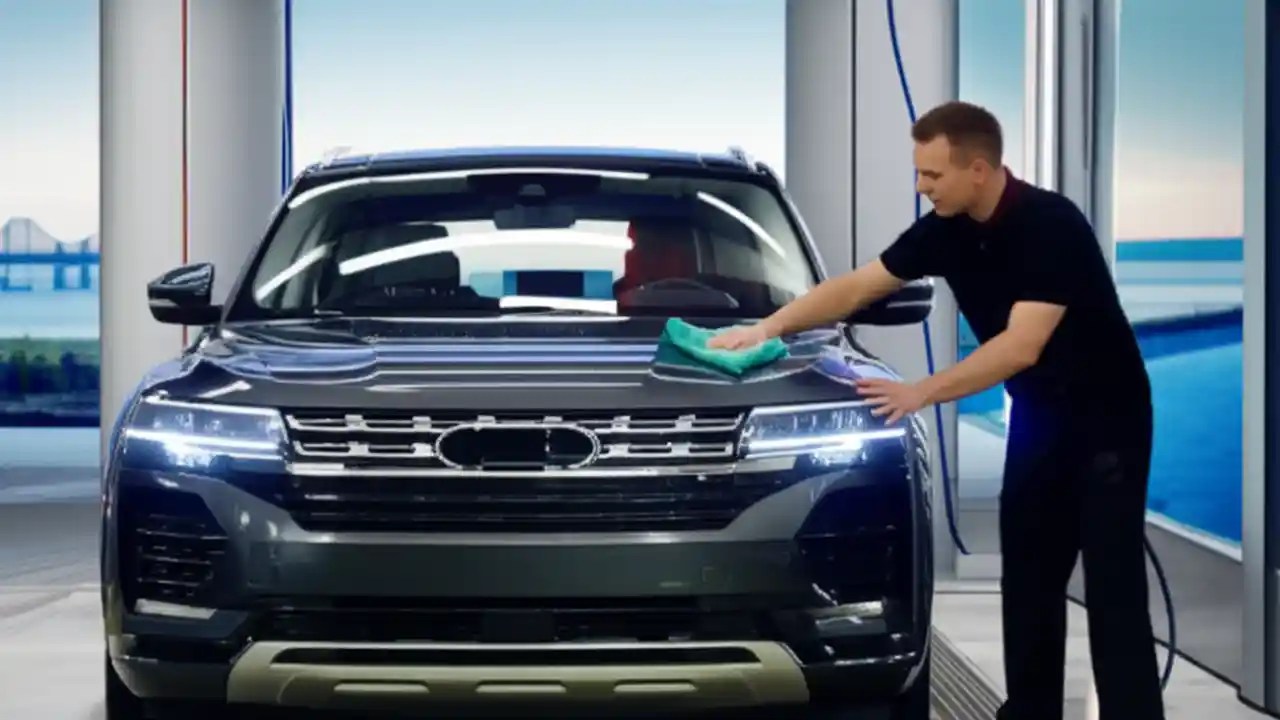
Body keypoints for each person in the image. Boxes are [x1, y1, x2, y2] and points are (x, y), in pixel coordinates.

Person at [709, 100, 1165, 720]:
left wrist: (920, 391)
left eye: (933, 175)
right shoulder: (947, 228)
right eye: (919, 174)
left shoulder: (1051, 224)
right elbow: (859, 286)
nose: (922, 188)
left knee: (1113, 589)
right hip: (1040, 417)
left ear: (978, 170)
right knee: (1028, 579)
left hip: (1108, 421)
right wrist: (770, 327)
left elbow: (1021, 345)